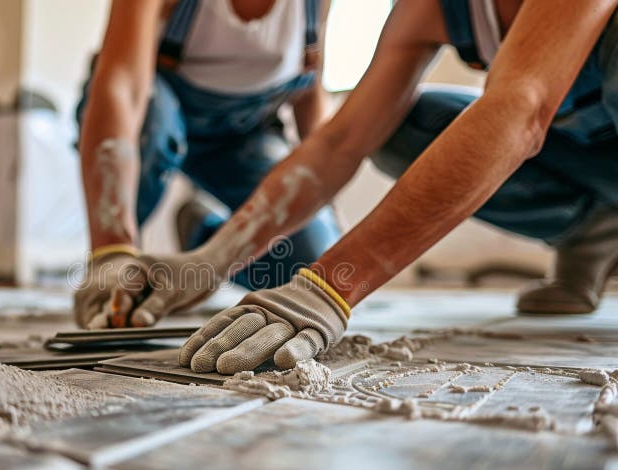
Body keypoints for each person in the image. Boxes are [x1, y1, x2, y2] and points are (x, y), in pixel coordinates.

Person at [91, 0, 618, 376]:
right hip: (596, 161)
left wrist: (329, 288)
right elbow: (341, 141)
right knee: (408, 123)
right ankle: (594, 233)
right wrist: (214, 256)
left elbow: (520, 108)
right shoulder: (433, 9)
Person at [74, 0, 341, 329]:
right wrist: (110, 251)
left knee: (308, 262)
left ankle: (200, 232)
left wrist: (323, 201)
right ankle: (125, 281)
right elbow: (124, 87)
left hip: (243, 137)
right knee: (150, 128)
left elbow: (311, 89)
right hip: (154, 114)